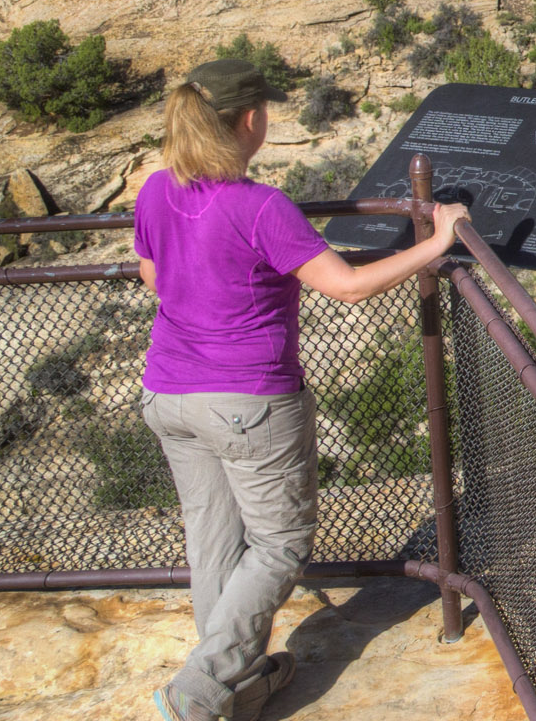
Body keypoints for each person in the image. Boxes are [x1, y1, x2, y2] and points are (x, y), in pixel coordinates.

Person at [137, 58, 468, 721]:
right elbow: (347, 285)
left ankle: (236, 675)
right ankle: (200, 693)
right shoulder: (260, 207)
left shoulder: (155, 190)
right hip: (249, 401)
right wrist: (438, 242)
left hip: (169, 391)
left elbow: (153, 277)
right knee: (281, 542)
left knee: (212, 536)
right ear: (251, 119)